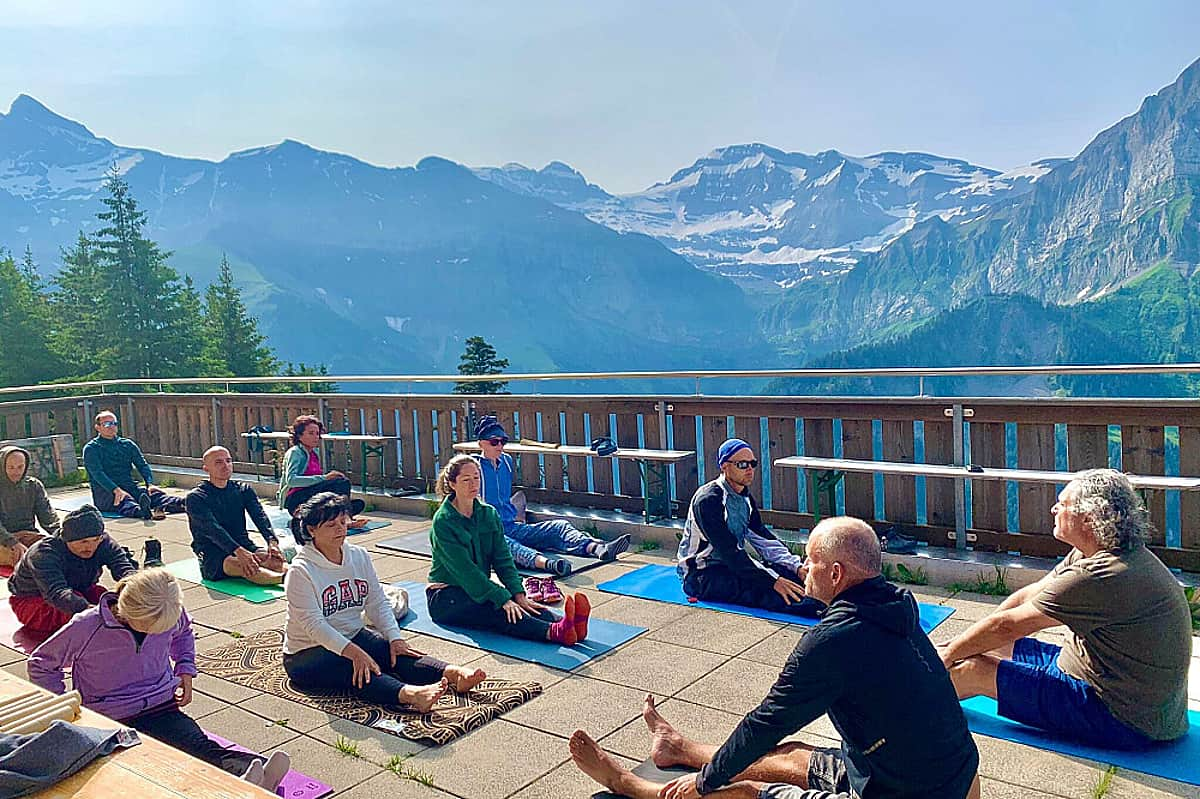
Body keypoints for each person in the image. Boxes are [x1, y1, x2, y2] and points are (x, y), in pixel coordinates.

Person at [571, 516, 981, 799]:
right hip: (937, 772)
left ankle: (634, 787)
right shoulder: (898, 607)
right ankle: (678, 748)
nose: (802, 567)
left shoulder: (834, 640)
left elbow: (764, 723)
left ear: (836, 574)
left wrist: (706, 783)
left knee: (745, 793)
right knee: (793, 755)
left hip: (908, 791)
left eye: (811, 561)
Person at [939, 468, 1192, 749]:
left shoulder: (1101, 575)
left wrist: (949, 655)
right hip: (1105, 678)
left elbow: (1009, 626)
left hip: (1125, 719)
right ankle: (918, 672)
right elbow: (1028, 598)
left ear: (1088, 518)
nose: (1054, 509)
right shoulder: (1096, 551)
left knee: (974, 668)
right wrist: (956, 647)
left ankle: (902, 696)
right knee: (978, 647)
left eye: (1063, 504)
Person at [27, 568, 292, 790]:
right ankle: (241, 779)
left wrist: (185, 670)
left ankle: (256, 771)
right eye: (152, 629)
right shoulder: (86, 626)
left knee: (196, 745)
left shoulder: (169, 610)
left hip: (160, 703)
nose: (160, 633)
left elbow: (184, 633)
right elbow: (41, 662)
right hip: (109, 716)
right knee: (151, 769)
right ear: (127, 613)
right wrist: (66, 706)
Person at [282, 491, 487, 710]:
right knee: (356, 667)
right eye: (331, 525)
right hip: (306, 653)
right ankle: (411, 695)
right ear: (312, 530)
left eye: (343, 522)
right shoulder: (300, 571)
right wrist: (353, 652)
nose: (341, 529)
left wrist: (395, 637)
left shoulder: (358, 556)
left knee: (395, 653)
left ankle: (453, 674)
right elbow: (314, 626)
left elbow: (377, 601)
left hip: (353, 634)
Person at [428, 454, 590, 645]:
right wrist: (504, 598)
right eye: (466, 480)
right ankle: (552, 632)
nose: (473, 484)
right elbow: (466, 572)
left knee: (520, 603)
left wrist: (518, 594)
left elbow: (502, 559)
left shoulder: (488, 514)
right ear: (452, 484)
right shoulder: (443, 522)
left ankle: (564, 622)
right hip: (446, 597)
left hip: (475, 587)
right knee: (499, 608)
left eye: (476, 478)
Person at [473, 415, 630, 582]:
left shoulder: (507, 461)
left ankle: (597, 549)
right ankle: (548, 565)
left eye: (502, 441)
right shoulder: (474, 468)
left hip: (512, 526)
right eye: (493, 442)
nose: (499, 446)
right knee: (507, 546)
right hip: (490, 532)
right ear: (481, 443)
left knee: (559, 526)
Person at [676, 438, 821, 617]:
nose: (749, 469)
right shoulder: (708, 500)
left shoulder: (745, 498)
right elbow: (730, 552)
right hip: (701, 574)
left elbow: (763, 539)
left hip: (729, 565)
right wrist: (773, 581)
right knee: (766, 590)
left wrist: (796, 567)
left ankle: (821, 598)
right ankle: (815, 608)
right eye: (742, 464)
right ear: (724, 466)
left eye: (753, 463)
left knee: (788, 576)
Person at [7, 505, 136, 634]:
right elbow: (57, 593)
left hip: (80, 590)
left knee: (109, 599)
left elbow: (123, 568)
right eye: (83, 542)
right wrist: (93, 612)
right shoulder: (43, 553)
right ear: (67, 540)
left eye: (95, 540)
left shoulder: (103, 542)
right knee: (92, 620)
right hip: (35, 601)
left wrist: (137, 587)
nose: (91, 546)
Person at [186, 446, 287, 585]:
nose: (225, 466)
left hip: (243, 544)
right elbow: (213, 530)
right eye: (219, 462)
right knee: (245, 566)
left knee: (273, 561)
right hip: (213, 552)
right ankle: (285, 580)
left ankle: (298, 575)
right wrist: (239, 553)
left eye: (228, 461)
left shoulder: (243, 489)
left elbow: (260, 516)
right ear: (206, 468)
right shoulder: (196, 497)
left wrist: (272, 542)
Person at [81, 410, 185, 520]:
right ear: (97, 427)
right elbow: (97, 474)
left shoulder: (127, 444)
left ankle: (183, 503)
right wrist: (116, 490)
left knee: (153, 495)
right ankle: (141, 512)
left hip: (129, 486)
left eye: (114, 423)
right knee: (125, 500)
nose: (111, 427)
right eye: (107, 424)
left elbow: (142, 465)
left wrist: (149, 484)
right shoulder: (91, 449)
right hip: (106, 492)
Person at [276, 415, 366, 525]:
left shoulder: (313, 453)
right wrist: (324, 478)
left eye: (317, 433)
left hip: (311, 496)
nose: (315, 437)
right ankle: (345, 518)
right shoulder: (295, 452)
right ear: (299, 435)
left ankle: (330, 515)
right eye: (311, 433)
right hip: (296, 498)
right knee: (341, 483)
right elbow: (291, 480)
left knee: (358, 504)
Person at [0, 445, 60, 567]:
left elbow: (47, 516)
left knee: (57, 550)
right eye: (11, 467)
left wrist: (61, 535)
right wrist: (12, 542)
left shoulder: (34, 486)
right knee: (20, 558)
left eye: (20, 467)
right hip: (3, 539)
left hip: (28, 534)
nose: (16, 472)